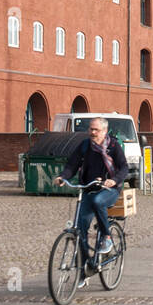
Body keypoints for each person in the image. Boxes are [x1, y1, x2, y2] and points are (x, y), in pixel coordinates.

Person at [55, 117, 128, 275]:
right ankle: (85, 268)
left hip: (109, 191)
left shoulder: (113, 146)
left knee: (97, 201)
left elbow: (124, 168)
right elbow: (71, 165)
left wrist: (114, 181)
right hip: (88, 188)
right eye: (91, 129)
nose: (92, 132)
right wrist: (63, 177)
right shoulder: (85, 145)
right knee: (80, 229)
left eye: (96, 130)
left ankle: (107, 237)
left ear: (104, 131)